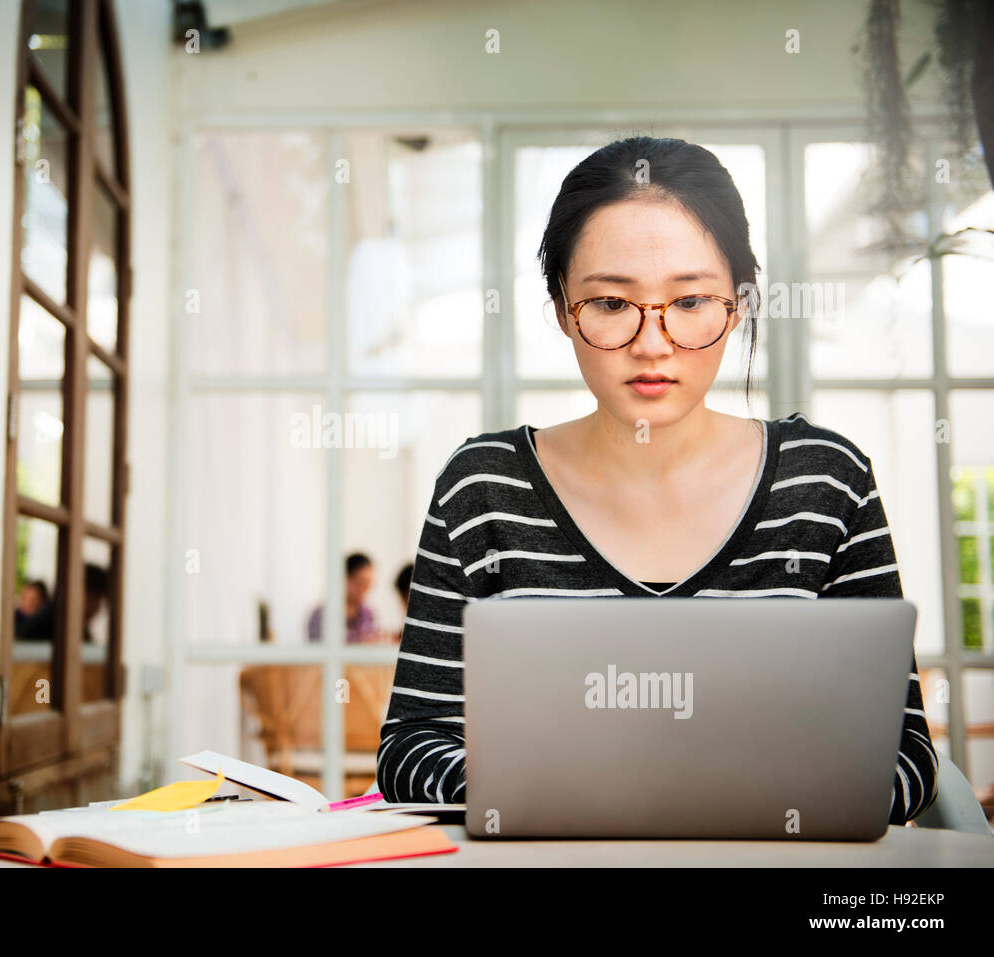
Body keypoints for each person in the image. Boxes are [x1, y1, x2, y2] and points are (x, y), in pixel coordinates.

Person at [376, 136, 939, 826]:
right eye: (612, 304)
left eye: (691, 300)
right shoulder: (483, 487)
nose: (652, 342)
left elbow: (905, 756)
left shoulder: (827, 481)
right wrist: (621, 783)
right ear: (562, 310)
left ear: (736, 305)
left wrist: (650, 784)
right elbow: (410, 747)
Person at [307, 552, 378, 643]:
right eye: (360, 583)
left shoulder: (368, 614)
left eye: (368, 584)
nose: (365, 589)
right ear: (345, 578)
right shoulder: (321, 615)